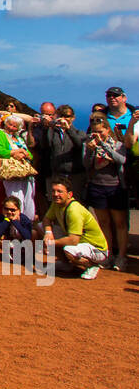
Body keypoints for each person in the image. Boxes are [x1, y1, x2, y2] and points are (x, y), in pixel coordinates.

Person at [83, 118, 128, 271]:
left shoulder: (118, 144)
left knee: (120, 223)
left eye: (101, 132)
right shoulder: (89, 144)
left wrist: (103, 145)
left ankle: (121, 256)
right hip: (97, 186)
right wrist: (90, 150)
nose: (97, 135)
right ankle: (107, 255)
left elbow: (121, 159)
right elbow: (86, 165)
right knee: (103, 223)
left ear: (107, 130)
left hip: (115, 187)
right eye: (94, 132)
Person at [43, 176, 109, 280]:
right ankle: (65, 264)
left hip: (97, 250)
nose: (56, 194)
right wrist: (48, 233)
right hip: (81, 244)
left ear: (69, 194)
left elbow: (73, 240)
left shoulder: (74, 210)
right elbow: (46, 219)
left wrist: (51, 243)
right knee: (40, 228)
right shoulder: (56, 204)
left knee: (69, 249)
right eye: (53, 191)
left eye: (59, 191)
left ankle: (91, 265)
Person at [0, 114, 36, 220]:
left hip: (25, 173)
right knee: (15, 200)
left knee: (29, 201)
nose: (11, 127)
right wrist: (17, 152)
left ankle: (27, 226)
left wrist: (23, 153)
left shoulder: (19, 138)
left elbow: (30, 155)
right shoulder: (0, 133)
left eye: (15, 126)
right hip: (12, 173)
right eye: (9, 124)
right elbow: (1, 152)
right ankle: (15, 228)